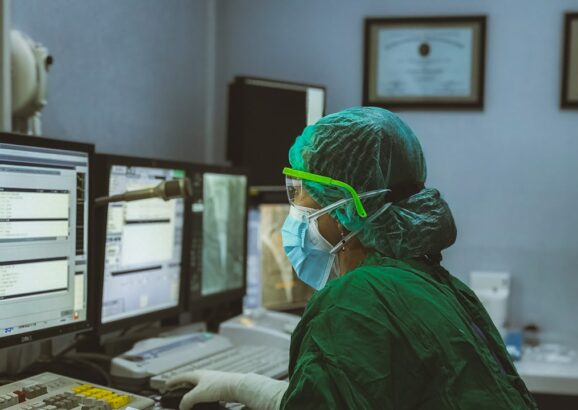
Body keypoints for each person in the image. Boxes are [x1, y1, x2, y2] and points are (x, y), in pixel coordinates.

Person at [167, 107, 538, 409]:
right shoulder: (436, 285)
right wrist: (239, 386)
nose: (293, 207)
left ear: (348, 206)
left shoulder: (357, 300)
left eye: (301, 191)